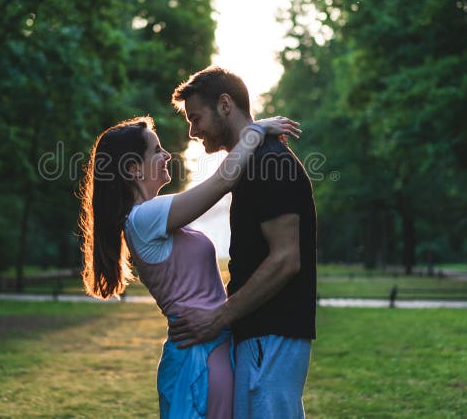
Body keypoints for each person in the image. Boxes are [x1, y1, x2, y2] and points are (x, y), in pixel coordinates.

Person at [79, 114, 301, 419]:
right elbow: (224, 180)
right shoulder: (145, 218)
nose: (166, 155)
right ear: (132, 168)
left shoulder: (152, 220)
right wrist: (255, 130)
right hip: (203, 360)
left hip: (209, 350)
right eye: (156, 151)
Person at [168, 66, 318, 419]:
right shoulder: (253, 161)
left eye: (195, 118)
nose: (192, 131)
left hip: (273, 334)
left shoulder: (270, 162)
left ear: (224, 105)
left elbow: (285, 259)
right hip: (258, 333)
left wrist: (218, 318)